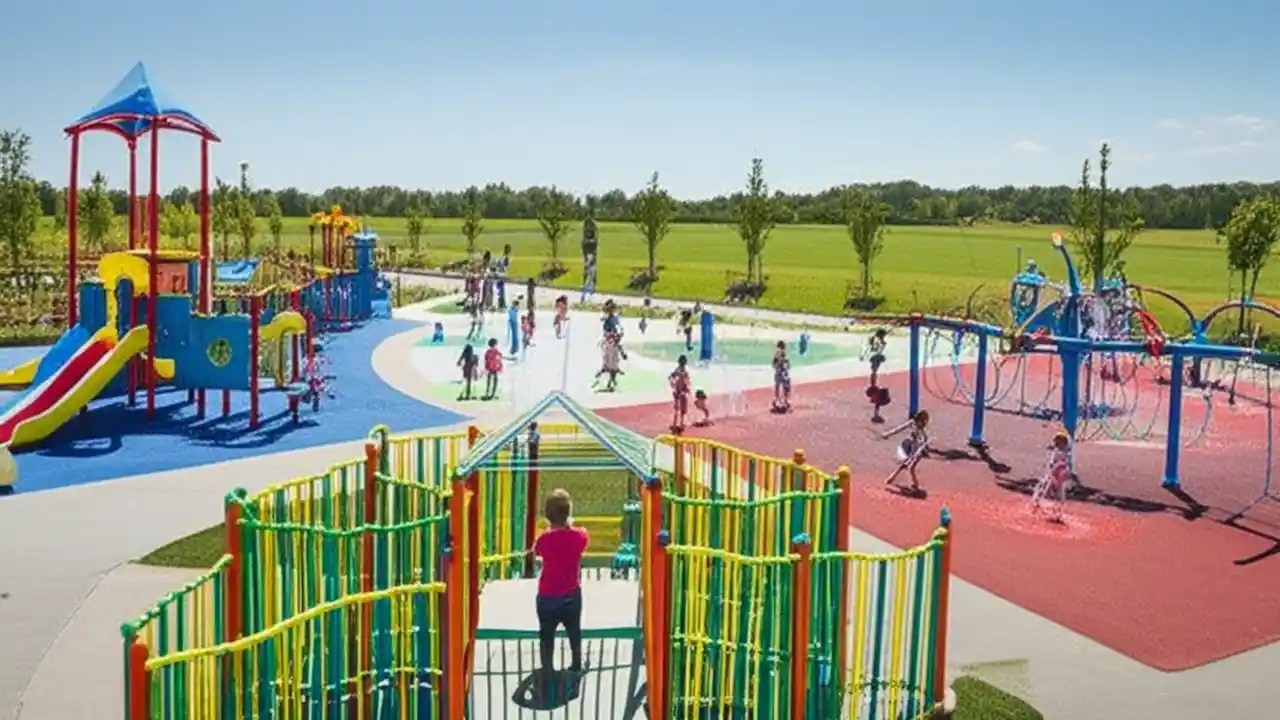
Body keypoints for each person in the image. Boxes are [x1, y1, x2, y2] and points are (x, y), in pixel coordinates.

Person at [531, 489, 589, 684]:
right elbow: (584, 536)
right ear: (568, 512)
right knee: (574, 630)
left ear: (548, 515)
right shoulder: (578, 536)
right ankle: (576, 664)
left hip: (547, 595)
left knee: (546, 635)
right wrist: (569, 526)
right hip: (571, 594)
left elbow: (536, 550)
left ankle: (547, 667)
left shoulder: (544, 539)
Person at [1032, 431, 1075, 522]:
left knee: (1059, 493)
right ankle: (1038, 504)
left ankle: (1058, 512)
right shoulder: (1058, 452)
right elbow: (1053, 463)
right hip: (1053, 474)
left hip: (1059, 476)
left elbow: (1065, 464)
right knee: (1046, 488)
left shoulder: (1064, 453)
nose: (1057, 444)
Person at [882, 410, 930, 491]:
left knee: (910, 467)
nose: (923, 423)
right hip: (911, 448)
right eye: (922, 421)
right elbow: (899, 428)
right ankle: (913, 484)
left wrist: (923, 446)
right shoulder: (912, 423)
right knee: (907, 466)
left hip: (917, 450)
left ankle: (912, 484)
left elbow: (924, 439)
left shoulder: (922, 430)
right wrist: (888, 434)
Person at [669, 355, 692, 430]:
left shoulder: (682, 371)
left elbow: (687, 381)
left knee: (680, 408)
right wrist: (673, 384)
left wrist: (673, 384)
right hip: (679, 391)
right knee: (679, 408)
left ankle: (678, 423)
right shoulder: (680, 371)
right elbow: (671, 377)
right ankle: (677, 424)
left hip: (681, 390)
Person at [772, 341, 792, 413]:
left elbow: (788, 365)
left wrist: (785, 363)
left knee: (786, 387)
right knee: (778, 386)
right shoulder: (777, 355)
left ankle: (785, 400)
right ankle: (778, 400)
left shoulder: (785, 355)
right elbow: (774, 365)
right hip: (779, 373)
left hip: (784, 373)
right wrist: (779, 361)